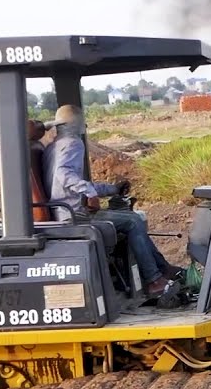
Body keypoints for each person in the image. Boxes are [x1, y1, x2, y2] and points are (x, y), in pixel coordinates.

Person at [43, 105, 180, 297]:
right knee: (133, 221)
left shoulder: (52, 147)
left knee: (131, 218)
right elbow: (64, 175)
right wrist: (90, 192)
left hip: (63, 210)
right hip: (72, 216)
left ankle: (162, 269)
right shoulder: (73, 143)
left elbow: (70, 182)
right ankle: (154, 280)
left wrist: (112, 189)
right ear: (76, 124)